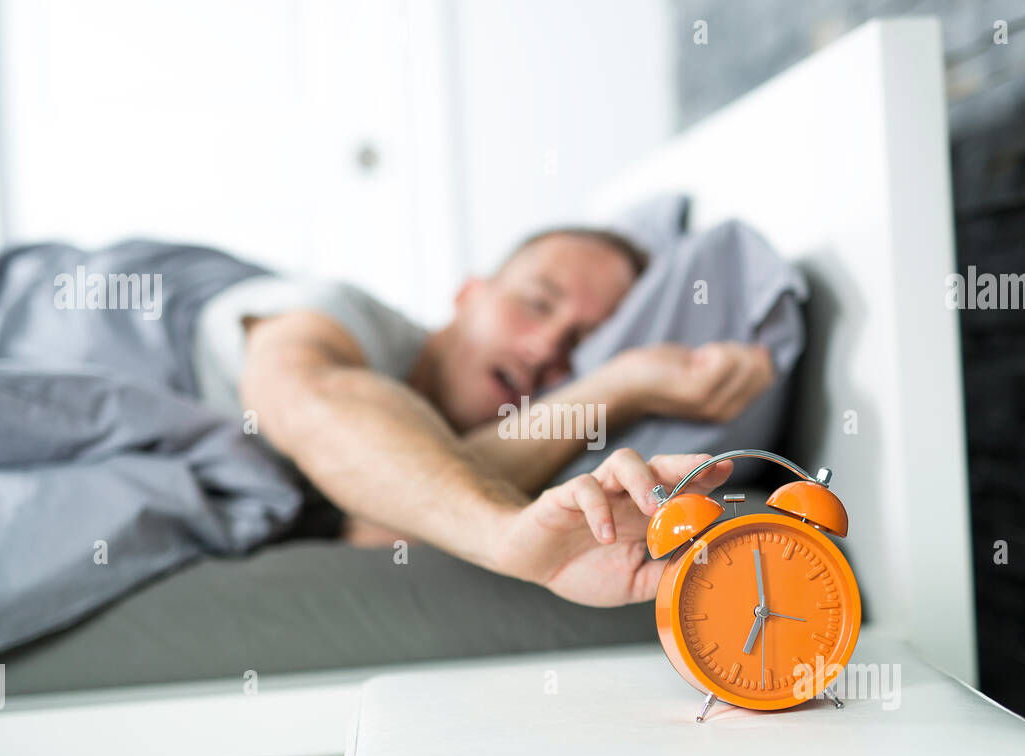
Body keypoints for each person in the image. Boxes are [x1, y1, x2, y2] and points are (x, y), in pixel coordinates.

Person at [199, 227, 775, 609]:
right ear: (468, 294)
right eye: (537, 303)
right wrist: (615, 387)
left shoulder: (427, 464)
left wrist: (625, 386)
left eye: (582, 346)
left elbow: (388, 511)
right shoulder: (340, 316)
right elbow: (303, 395)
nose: (545, 347)